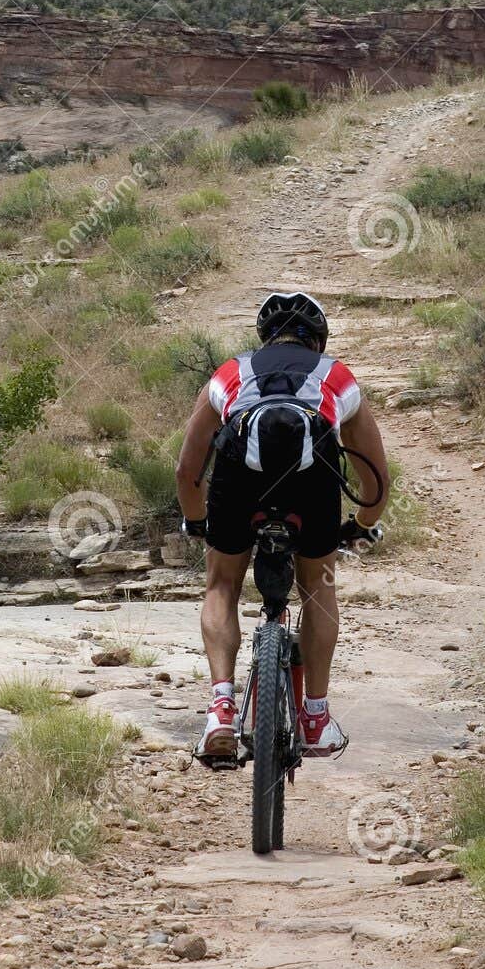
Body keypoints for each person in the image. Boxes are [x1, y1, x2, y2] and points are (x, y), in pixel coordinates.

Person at [175, 290, 389, 760]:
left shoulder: (230, 372)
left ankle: (221, 709)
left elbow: (187, 469)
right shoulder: (336, 375)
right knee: (318, 588)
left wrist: (195, 520)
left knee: (222, 584)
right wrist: (362, 524)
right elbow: (376, 480)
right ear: (317, 340)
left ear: (265, 337)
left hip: (239, 479)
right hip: (312, 484)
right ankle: (315, 717)